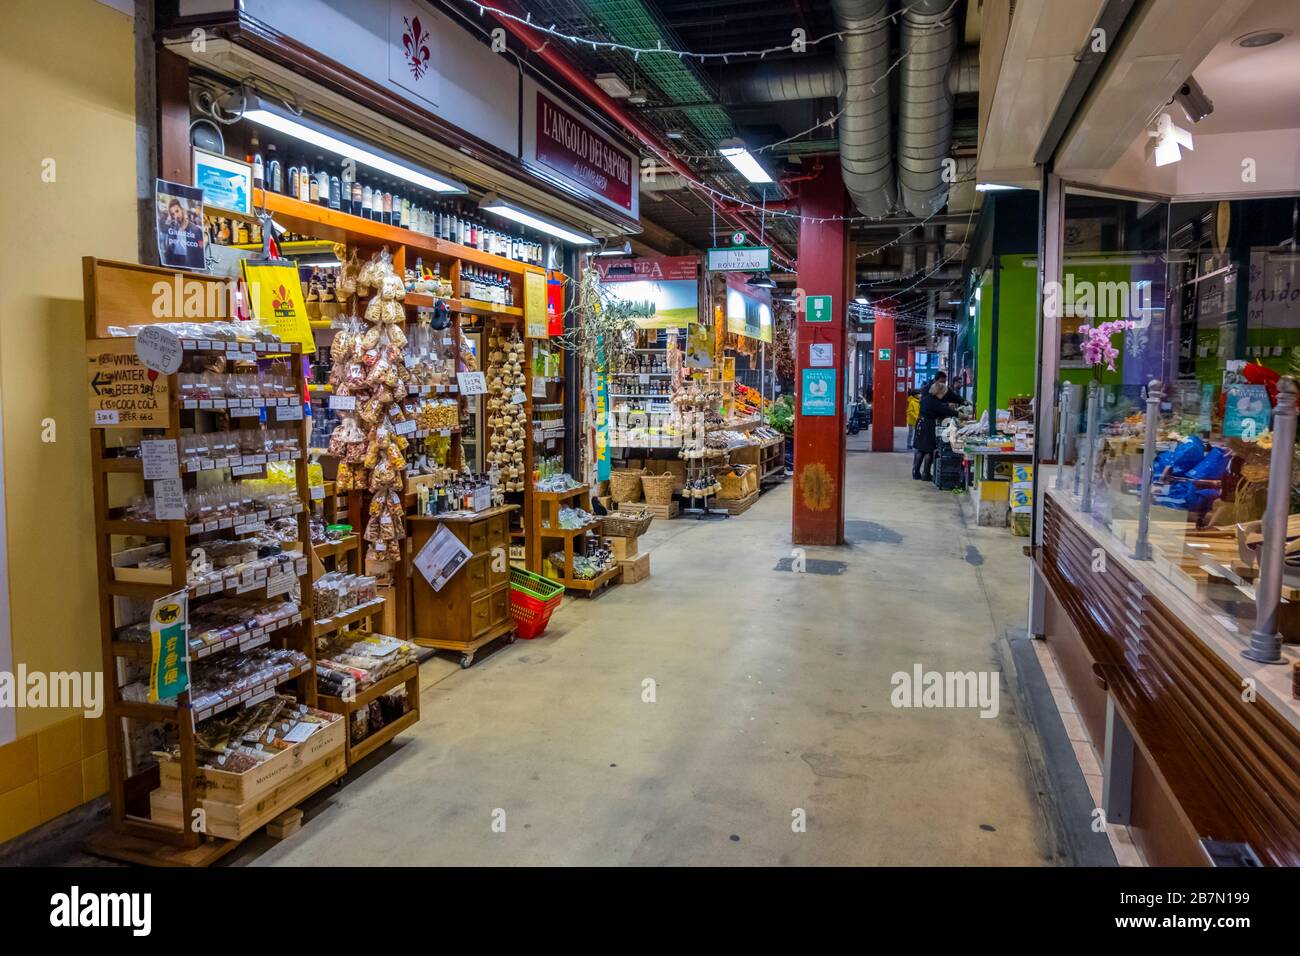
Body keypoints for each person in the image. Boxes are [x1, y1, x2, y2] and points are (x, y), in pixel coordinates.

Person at [912, 381, 965, 482]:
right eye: (943, 392)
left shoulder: (925, 398)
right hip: (929, 425)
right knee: (929, 450)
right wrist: (961, 415)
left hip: (920, 423)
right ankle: (926, 474)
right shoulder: (934, 402)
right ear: (939, 391)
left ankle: (915, 472)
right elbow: (946, 410)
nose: (944, 395)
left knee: (920, 449)